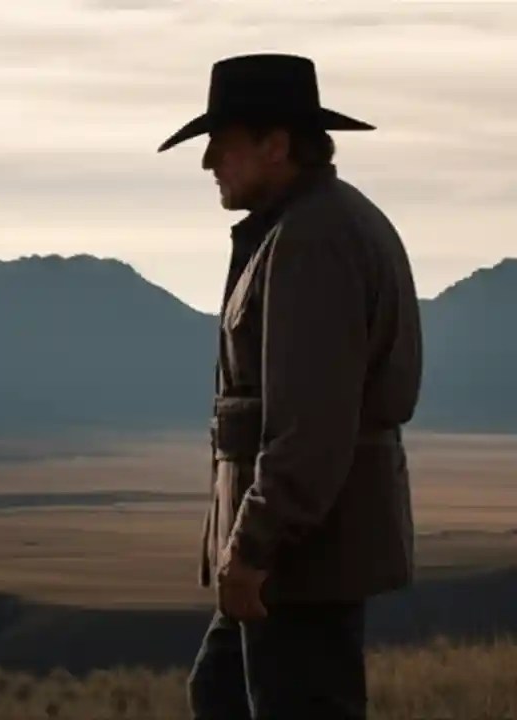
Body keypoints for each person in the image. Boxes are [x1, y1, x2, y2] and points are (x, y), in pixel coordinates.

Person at [157, 54, 424, 719]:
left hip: (300, 558)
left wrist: (253, 544)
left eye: (223, 142)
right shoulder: (310, 227)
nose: (208, 161)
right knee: (219, 691)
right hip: (300, 551)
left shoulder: (312, 240)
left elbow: (309, 423)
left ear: (277, 144)